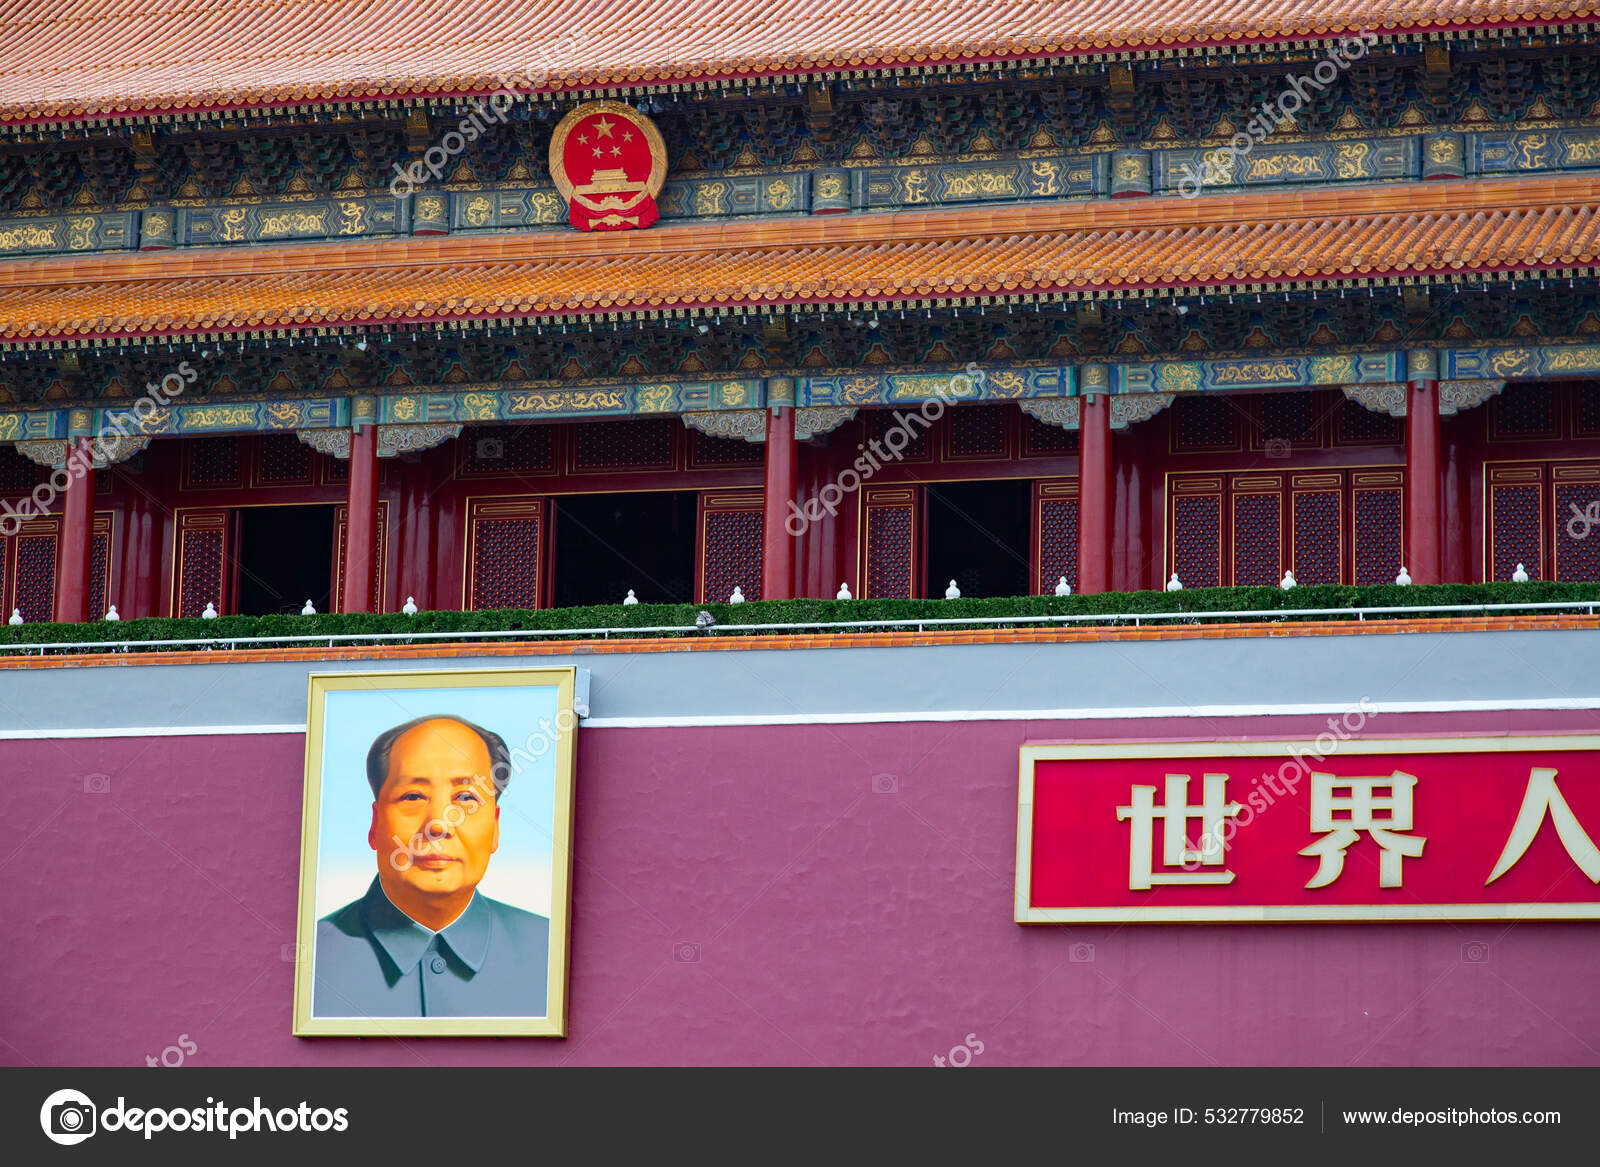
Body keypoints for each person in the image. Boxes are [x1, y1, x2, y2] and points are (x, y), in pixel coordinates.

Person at [313, 715, 549, 1018]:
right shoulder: (312, 957)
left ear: (495, 827)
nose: (438, 824)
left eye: (465, 797)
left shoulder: (551, 951)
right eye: (413, 796)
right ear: (375, 824)